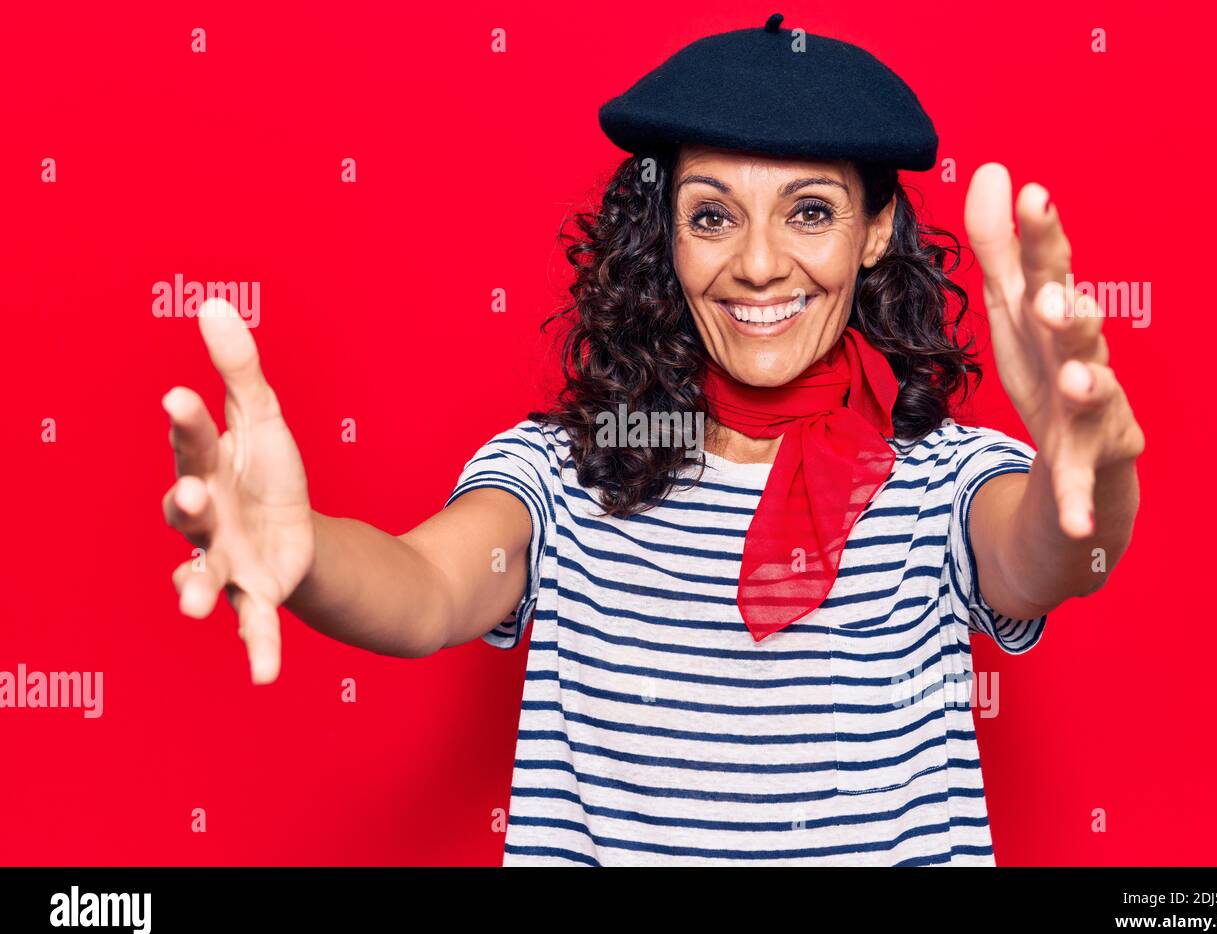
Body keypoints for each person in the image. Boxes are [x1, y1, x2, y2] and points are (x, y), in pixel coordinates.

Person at [160, 15, 1142, 865]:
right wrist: (307, 551)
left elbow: (1045, 553)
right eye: (712, 215)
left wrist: (1092, 471)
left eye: (809, 211)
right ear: (664, 235)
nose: (759, 263)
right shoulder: (562, 471)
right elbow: (426, 587)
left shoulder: (943, 483)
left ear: (873, 230)